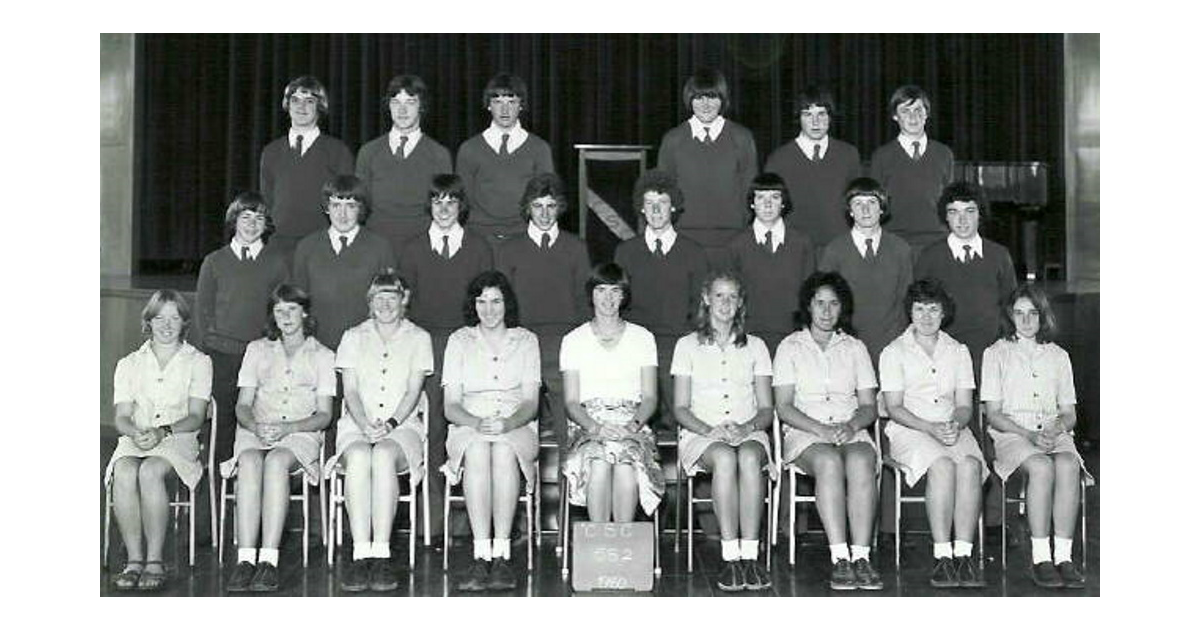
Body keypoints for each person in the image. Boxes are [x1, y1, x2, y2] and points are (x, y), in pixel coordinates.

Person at [399, 174, 495, 541]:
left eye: (451, 201)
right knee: (432, 431)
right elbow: (403, 309)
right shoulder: (411, 249)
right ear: (429, 206)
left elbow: (488, 305)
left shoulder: (478, 247)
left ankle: (480, 524)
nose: (443, 208)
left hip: (469, 346)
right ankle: (432, 525)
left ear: (461, 207)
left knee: (471, 428)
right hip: (426, 346)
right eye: (437, 201)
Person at [221, 284, 335, 593]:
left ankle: (268, 560)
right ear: (272, 315)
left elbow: (324, 415)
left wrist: (289, 429)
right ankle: (245, 559)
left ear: (305, 312)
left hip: (299, 434)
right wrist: (255, 426)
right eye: (279, 310)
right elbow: (242, 405)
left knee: (275, 462)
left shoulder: (323, 355)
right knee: (248, 460)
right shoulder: (257, 350)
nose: (285, 316)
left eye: (292, 309)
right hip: (256, 430)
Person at [325, 271, 433, 592]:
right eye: (379, 298)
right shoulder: (352, 337)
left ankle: (382, 553)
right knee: (358, 456)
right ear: (370, 303)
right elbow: (351, 392)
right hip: (358, 424)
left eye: (393, 298)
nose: (386, 305)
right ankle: (360, 554)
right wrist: (364, 425)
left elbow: (414, 391)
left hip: (403, 426)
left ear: (404, 301)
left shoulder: (419, 338)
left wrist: (390, 425)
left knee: (384, 455)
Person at [773, 272, 881, 591]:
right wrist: (820, 429)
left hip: (848, 430)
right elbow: (783, 406)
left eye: (833, 303)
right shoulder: (789, 347)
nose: (826, 310)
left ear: (842, 308)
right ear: (808, 306)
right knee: (829, 463)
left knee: (862, 460)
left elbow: (868, 406)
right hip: (806, 432)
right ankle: (840, 558)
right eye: (819, 303)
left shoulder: (855, 348)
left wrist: (850, 426)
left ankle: (861, 556)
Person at [879, 278, 987, 589]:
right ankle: (942, 555)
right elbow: (894, 407)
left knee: (970, 465)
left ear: (944, 313)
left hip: (951, 426)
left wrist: (955, 423)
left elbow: (965, 404)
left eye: (933, 309)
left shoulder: (958, 351)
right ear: (910, 312)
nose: (926, 316)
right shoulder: (893, 352)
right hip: (910, 428)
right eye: (919, 309)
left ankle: (963, 555)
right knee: (941, 465)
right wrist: (930, 428)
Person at [981, 284, 1090, 589]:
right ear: (1009, 316)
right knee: (1041, 467)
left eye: (1033, 313)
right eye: (1019, 313)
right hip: (1012, 432)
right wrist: (1028, 434)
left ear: (1043, 317)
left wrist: (1056, 428)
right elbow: (994, 414)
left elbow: (1069, 413)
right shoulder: (995, 354)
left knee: (1068, 464)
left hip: (1053, 430)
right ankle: (1041, 557)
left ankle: (1064, 557)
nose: (1026, 320)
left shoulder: (1058, 356)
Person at [671, 271, 774, 592]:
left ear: (740, 302)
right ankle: (730, 556)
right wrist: (710, 430)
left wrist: (746, 427)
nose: (726, 303)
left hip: (749, 430)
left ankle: (750, 555)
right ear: (706, 299)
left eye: (732, 297)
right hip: (701, 433)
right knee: (726, 460)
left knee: (746, 457)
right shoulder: (686, 346)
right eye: (719, 296)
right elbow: (680, 408)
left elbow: (767, 409)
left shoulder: (756, 346)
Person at [106, 291, 212, 591]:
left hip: (177, 437)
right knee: (125, 470)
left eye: (175, 318)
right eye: (160, 318)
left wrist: (163, 431)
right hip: (136, 436)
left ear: (184, 323)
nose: (167, 325)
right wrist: (134, 432)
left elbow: (196, 416)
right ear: (148, 322)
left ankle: (155, 560)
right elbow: (122, 417)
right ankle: (134, 560)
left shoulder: (199, 361)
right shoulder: (129, 363)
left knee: (150, 470)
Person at [442, 271, 541, 592]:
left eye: (496, 301)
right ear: (474, 305)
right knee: (477, 450)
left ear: (506, 303)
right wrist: (475, 423)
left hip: (516, 424)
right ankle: (480, 553)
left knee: (502, 451)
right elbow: (450, 406)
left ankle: (502, 554)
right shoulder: (459, 340)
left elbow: (530, 402)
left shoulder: (526, 340)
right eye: (481, 301)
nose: (489, 309)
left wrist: (509, 423)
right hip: (469, 424)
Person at [560, 263, 665, 523]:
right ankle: (598, 544)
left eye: (615, 291)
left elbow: (650, 398)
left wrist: (632, 425)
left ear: (624, 295)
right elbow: (572, 402)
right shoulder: (573, 340)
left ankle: (623, 544)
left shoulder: (643, 338)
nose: (608, 298)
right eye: (601, 290)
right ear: (591, 295)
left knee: (626, 468)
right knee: (598, 465)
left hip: (632, 422)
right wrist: (597, 428)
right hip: (588, 424)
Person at [194, 192, 290, 465]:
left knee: (259, 421)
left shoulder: (278, 261)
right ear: (233, 221)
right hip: (223, 357)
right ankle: (218, 491)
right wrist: (209, 354)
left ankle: (254, 489)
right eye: (245, 217)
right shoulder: (214, 261)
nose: (251, 223)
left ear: (266, 224)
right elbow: (203, 313)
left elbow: (283, 311)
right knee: (222, 424)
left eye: (258, 218)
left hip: (263, 357)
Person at [495, 173, 591, 445]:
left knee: (567, 422)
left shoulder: (576, 247)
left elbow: (584, 300)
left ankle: (568, 480)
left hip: (563, 341)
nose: (545, 213)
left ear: (559, 207)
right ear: (528, 208)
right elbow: (503, 303)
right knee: (516, 416)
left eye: (551, 206)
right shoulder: (508, 249)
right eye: (538, 206)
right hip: (521, 340)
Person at [614, 169, 709, 433]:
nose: (656, 210)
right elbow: (620, 305)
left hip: (677, 344)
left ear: (674, 206)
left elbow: (700, 308)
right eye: (649, 204)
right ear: (641, 209)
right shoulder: (626, 252)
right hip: (637, 344)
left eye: (663, 203)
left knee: (678, 413)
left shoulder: (694, 252)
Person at [915, 181, 1017, 376]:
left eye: (969, 211)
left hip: (990, 354)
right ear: (945, 216)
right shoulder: (930, 257)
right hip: (944, 354)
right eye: (954, 212)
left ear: (980, 214)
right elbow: (918, 311)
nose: (962, 220)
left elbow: (1010, 306)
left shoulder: (999, 255)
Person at [657, 68, 758, 265]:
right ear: (689, 100)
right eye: (699, 97)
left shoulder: (742, 138)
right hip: (684, 239)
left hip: (732, 239)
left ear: (723, 100)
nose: (705, 104)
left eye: (712, 97)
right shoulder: (673, 140)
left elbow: (751, 190)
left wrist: (741, 228)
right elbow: (663, 193)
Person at [293, 174, 396, 352]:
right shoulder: (307, 247)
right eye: (336, 205)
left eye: (350, 206)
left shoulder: (380, 247)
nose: (342, 214)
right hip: (318, 348)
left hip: (366, 349)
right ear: (326, 208)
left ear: (361, 208)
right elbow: (298, 304)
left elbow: (391, 302)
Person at [819, 177, 913, 367]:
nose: (865, 209)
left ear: (882, 208)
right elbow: (825, 305)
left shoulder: (901, 249)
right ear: (850, 211)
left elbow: (906, 301)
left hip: (892, 347)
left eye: (872, 202)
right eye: (858, 203)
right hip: (846, 347)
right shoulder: (834, 250)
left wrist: (900, 343)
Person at [356, 74, 454, 254]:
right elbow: (360, 207)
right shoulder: (368, 152)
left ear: (421, 106)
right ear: (388, 106)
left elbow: (445, 209)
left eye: (410, 102)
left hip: (423, 248)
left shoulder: (439, 155)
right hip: (377, 246)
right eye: (396, 103)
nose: (402, 110)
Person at [259, 76, 354, 256]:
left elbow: (348, 203)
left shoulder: (337, 150)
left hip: (322, 245)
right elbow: (267, 202)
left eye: (309, 101)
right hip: (279, 245)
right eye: (295, 100)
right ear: (287, 105)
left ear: (319, 107)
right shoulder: (271, 152)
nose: (301, 107)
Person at [455, 73, 555, 245]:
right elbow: (463, 200)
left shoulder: (540, 149)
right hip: (479, 237)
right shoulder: (469, 149)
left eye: (511, 102)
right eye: (498, 102)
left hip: (525, 238)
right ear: (488, 106)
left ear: (521, 105)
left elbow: (545, 202)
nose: (505, 109)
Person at [728, 172, 817, 355]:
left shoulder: (802, 243)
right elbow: (731, 296)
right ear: (752, 203)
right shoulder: (736, 245)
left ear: (783, 203)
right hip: (749, 336)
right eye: (760, 197)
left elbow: (810, 295)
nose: (767, 204)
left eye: (775, 197)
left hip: (793, 337)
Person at [764, 86, 862, 251]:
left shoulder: (849, 154)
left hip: (840, 248)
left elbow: (859, 204)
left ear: (830, 117)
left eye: (821, 114)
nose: (815, 122)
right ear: (798, 118)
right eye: (808, 114)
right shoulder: (779, 159)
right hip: (794, 249)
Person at [869, 85, 954, 256]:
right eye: (905, 111)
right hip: (895, 242)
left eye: (918, 110)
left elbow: (950, 202)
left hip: (937, 240)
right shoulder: (882, 156)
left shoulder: (944, 153)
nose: (913, 117)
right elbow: (874, 204)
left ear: (927, 114)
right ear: (895, 116)